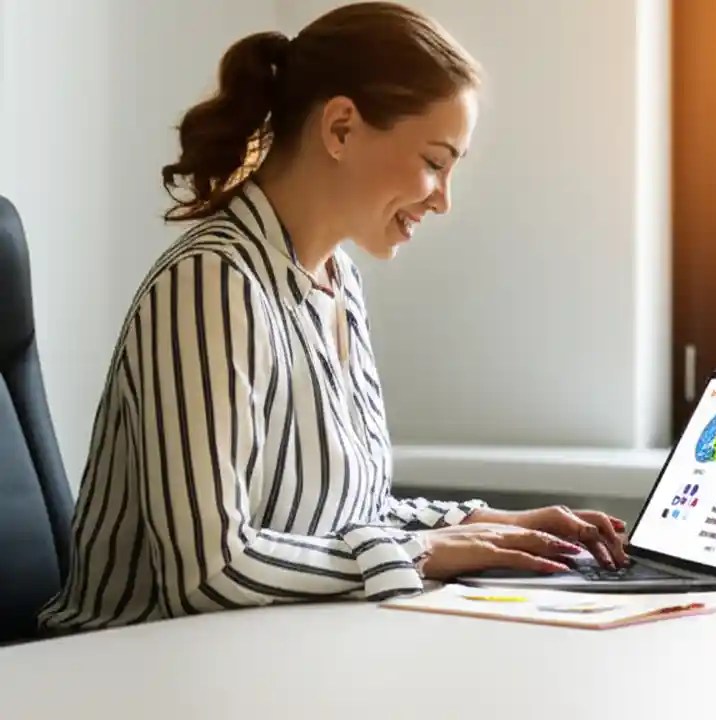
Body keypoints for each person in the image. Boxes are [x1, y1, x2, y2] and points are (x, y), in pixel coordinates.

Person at [39, 2, 626, 633]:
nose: (444, 200)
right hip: (128, 676)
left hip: (269, 660)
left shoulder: (337, 282)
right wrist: (423, 553)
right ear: (342, 128)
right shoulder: (212, 284)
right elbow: (210, 571)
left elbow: (341, 519)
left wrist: (486, 525)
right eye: (434, 161)